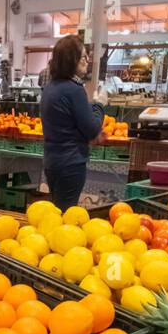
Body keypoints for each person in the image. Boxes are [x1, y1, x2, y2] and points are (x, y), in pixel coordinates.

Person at [40, 35, 105, 209]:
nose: (87, 61)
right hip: (70, 163)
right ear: (72, 60)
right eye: (84, 57)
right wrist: (99, 106)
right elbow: (92, 129)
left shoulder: (50, 88)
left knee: (59, 210)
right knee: (66, 216)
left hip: (52, 161)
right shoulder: (73, 90)